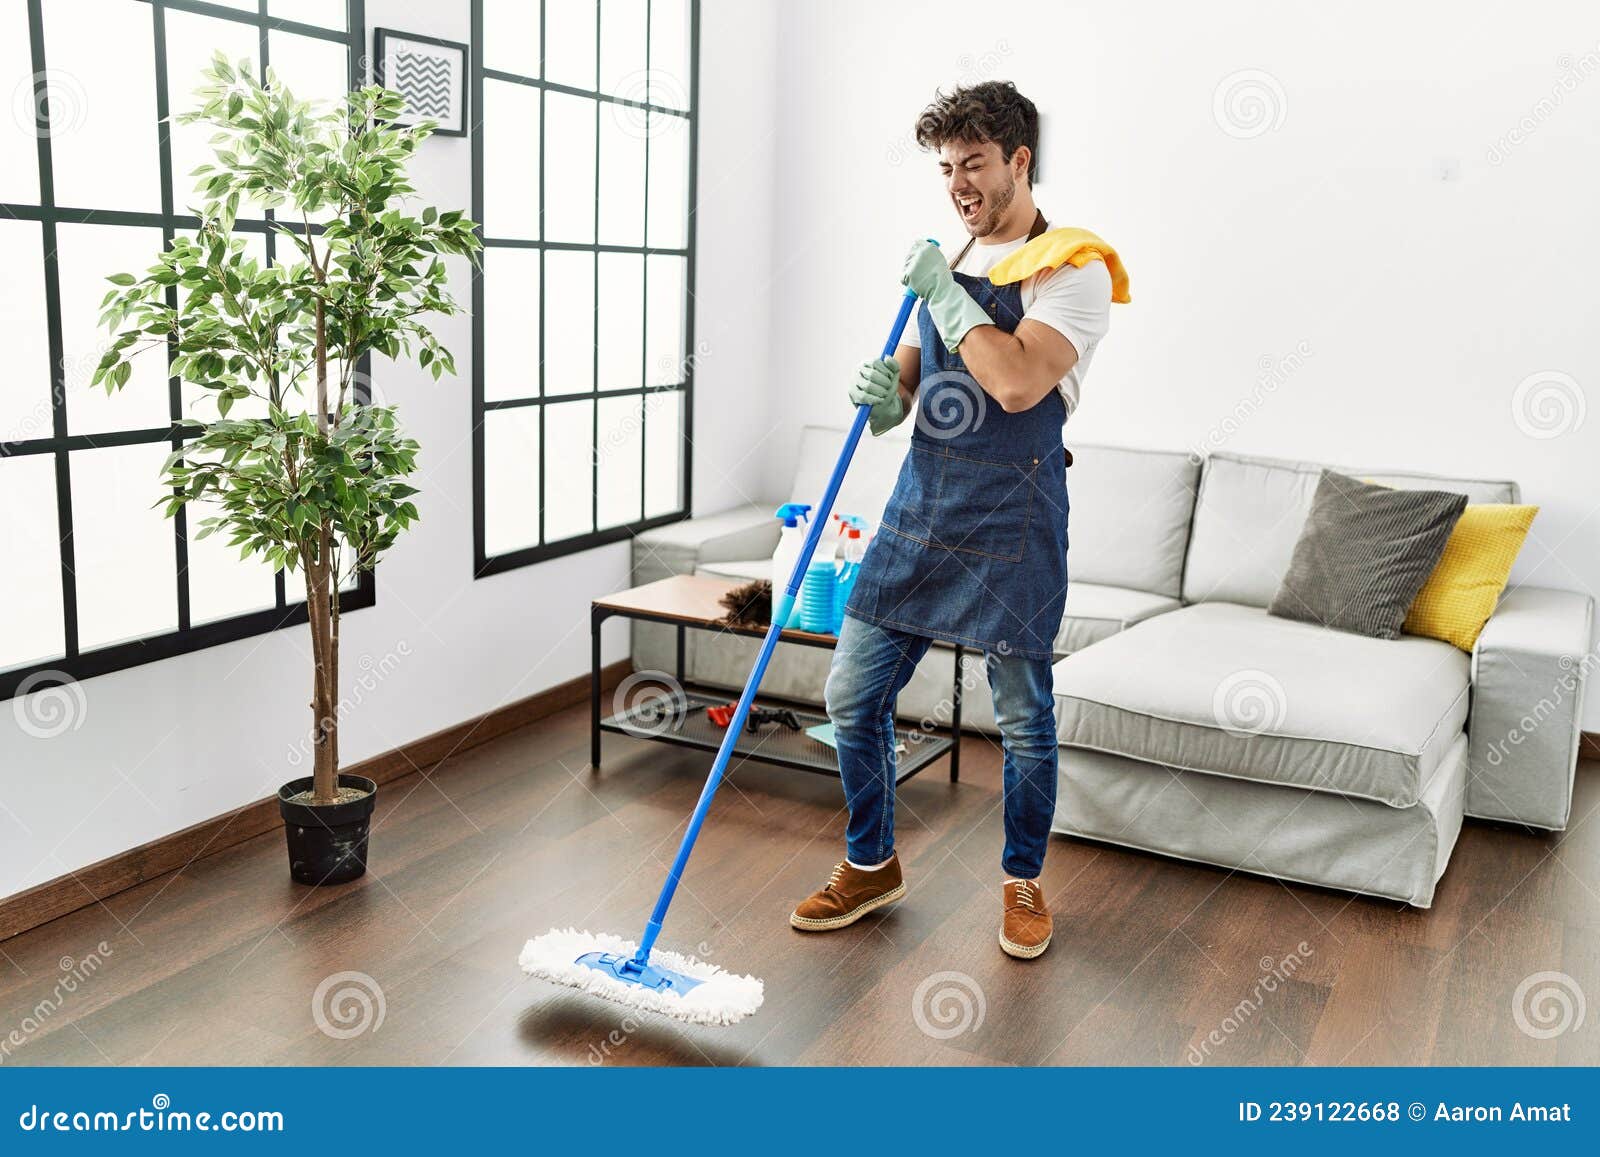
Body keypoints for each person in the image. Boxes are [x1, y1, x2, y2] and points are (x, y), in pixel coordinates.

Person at [789, 80, 1124, 959]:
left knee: (1022, 717)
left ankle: (1022, 881)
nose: (958, 184)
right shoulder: (950, 256)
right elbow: (910, 386)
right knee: (851, 696)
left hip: (1016, 514)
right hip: (923, 502)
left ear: (1020, 159)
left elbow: (1016, 381)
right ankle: (870, 862)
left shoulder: (1071, 268)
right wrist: (881, 397)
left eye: (973, 163)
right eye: (945, 167)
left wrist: (943, 291)